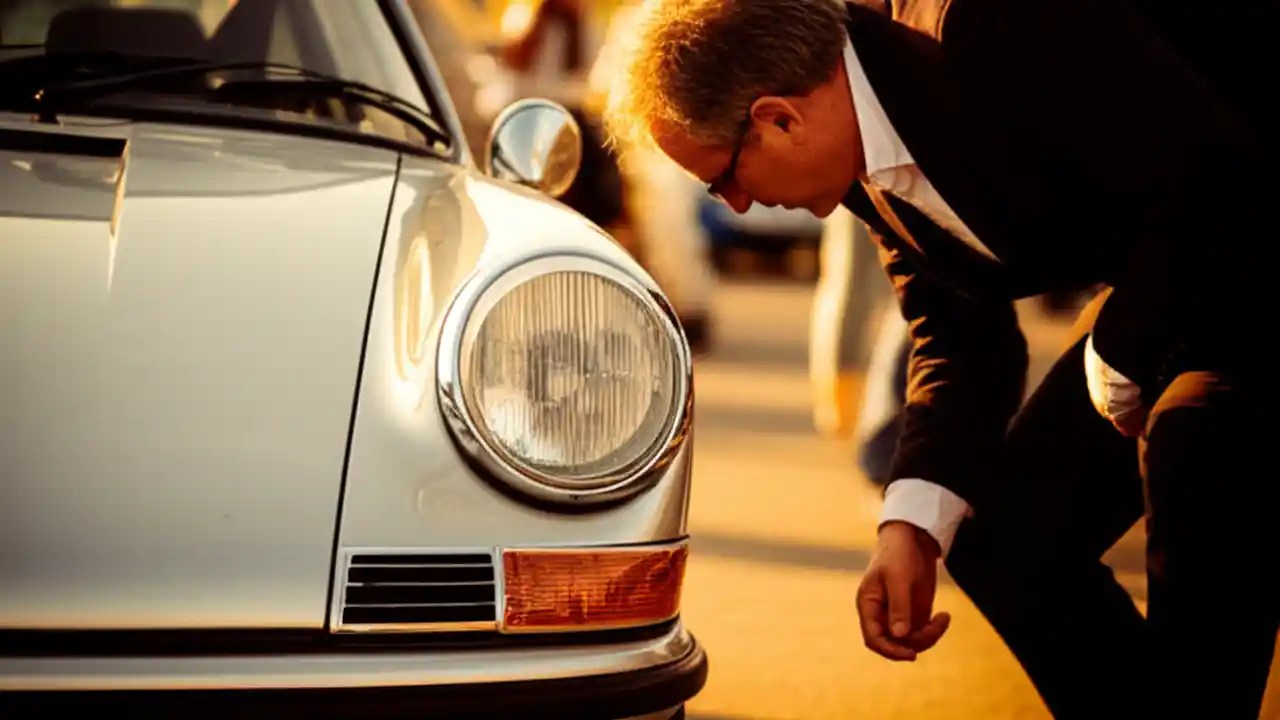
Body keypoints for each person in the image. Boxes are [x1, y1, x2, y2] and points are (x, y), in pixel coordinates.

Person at [601, 0, 1278, 717]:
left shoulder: (997, 24)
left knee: (1196, 448)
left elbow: (1223, 178)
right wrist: (912, 524)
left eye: (724, 177)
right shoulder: (855, 126)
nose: (736, 206)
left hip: (1251, 230)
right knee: (1007, 537)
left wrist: (1125, 354)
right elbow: (957, 329)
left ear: (778, 119)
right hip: (1194, 276)